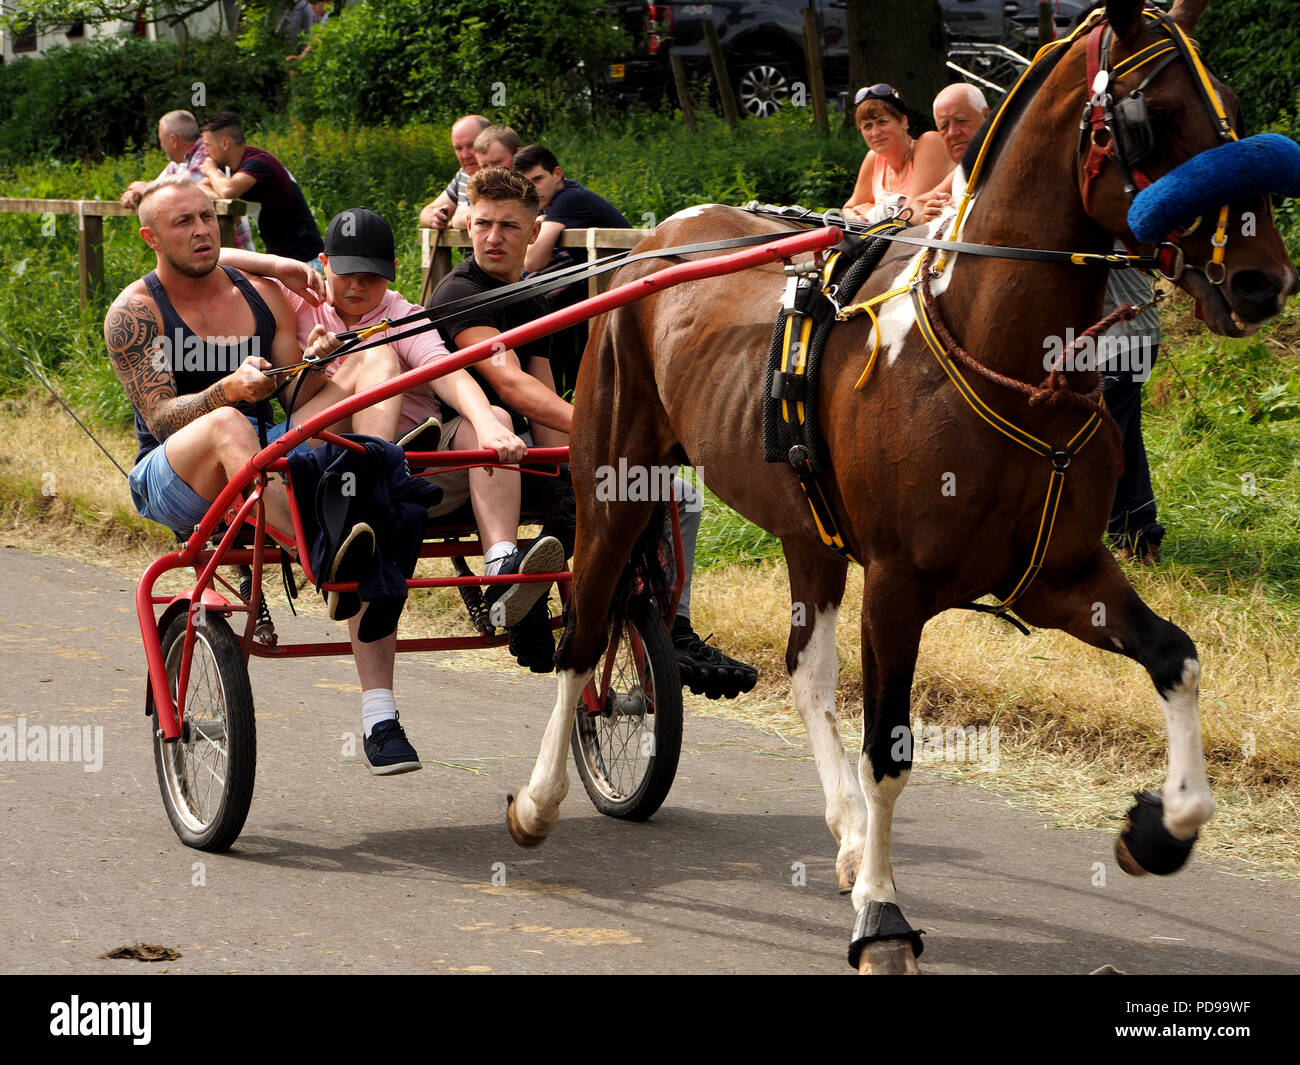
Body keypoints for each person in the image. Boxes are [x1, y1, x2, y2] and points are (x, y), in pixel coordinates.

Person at [106, 174, 423, 775]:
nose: (201, 231)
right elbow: (162, 417)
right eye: (184, 223)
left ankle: (366, 486)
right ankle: (327, 558)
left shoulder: (262, 294)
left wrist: (322, 360)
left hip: (264, 455)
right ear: (151, 238)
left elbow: (298, 390)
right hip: (175, 472)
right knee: (228, 423)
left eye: (208, 217)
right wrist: (226, 388)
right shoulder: (134, 313)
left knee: (376, 354)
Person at [431, 166, 757, 697]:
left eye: (510, 227)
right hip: (462, 451)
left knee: (671, 493)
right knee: (517, 430)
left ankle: (674, 627)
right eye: (484, 224)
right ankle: (516, 587)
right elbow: (508, 386)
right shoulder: (459, 291)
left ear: (535, 232)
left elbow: (542, 406)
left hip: (522, 454)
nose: (494, 238)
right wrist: (598, 431)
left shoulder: (533, 299)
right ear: (468, 224)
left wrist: (610, 455)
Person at [225, 206, 563, 628]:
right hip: (325, 447)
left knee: (491, 415)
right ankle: (375, 478)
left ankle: (499, 566)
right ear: (324, 264)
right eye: (347, 273)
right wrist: (280, 266)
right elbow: (210, 258)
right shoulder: (300, 299)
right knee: (377, 355)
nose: (358, 286)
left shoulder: (403, 314)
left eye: (372, 275)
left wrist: (493, 425)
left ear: (393, 272)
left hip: (416, 453)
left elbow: (447, 372)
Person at [512, 143, 631, 393]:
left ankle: (568, 391)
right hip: (607, 285)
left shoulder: (571, 198)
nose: (534, 188)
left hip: (626, 287)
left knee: (551, 311)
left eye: (538, 179)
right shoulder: (556, 201)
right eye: (526, 183)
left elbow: (533, 260)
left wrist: (539, 223)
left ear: (557, 173)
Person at [1101, 254, 1164, 563]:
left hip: (1122, 341)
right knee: (1121, 434)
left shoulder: (1096, 214)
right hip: (1123, 339)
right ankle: (1137, 535)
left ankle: (1132, 535)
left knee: (1103, 437)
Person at [199, 112, 325, 265]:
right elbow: (200, 188)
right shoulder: (232, 168)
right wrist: (230, 202)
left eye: (207, 145)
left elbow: (227, 190)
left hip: (306, 260)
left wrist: (211, 170)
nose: (205, 152)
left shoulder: (259, 163)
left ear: (225, 143)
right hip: (282, 257)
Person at [120, 110, 254, 251]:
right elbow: (156, 189)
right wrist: (135, 190)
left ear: (173, 140)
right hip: (209, 250)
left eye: (161, 141)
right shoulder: (180, 163)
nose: (161, 146)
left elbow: (175, 192)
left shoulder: (207, 158)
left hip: (235, 253)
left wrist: (144, 189)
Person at [843, 84, 952, 224]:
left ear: (903, 121)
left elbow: (911, 214)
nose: (875, 133)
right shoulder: (873, 158)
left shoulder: (929, 143)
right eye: (867, 126)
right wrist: (857, 217)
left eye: (882, 122)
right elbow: (848, 208)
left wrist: (870, 213)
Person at [913, 83, 991, 223]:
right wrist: (927, 213)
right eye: (944, 126)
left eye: (961, 121)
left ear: (986, 116)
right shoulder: (962, 171)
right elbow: (916, 205)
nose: (952, 133)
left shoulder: (1009, 161)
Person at [418, 114, 490, 231]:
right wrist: (434, 218)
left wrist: (458, 219)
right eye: (458, 149)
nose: (465, 155)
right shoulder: (464, 175)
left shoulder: (506, 177)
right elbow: (427, 212)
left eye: (471, 146)